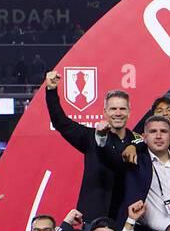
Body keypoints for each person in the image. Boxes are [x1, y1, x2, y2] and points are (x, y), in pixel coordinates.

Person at [44, 70, 132, 219]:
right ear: (105, 112)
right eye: (113, 109)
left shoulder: (137, 141)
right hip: (94, 216)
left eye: (122, 109)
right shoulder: (90, 137)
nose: (118, 113)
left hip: (127, 216)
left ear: (129, 112)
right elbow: (61, 123)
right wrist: (51, 91)